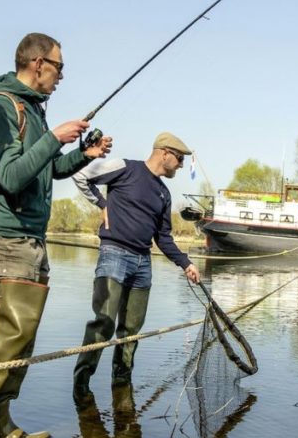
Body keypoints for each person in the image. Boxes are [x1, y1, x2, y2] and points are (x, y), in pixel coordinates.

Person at [0, 32, 112, 438]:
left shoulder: (30, 111)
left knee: (23, 341)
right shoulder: (0, 108)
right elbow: (12, 176)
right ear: (37, 64)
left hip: (30, 240)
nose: (60, 77)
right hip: (9, 238)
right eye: (59, 68)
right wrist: (54, 136)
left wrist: (84, 154)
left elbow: (46, 171)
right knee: (10, 340)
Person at [71, 132, 201, 400]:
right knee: (104, 323)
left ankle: (121, 384)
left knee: (131, 330)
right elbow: (81, 175)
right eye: (178, 158)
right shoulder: (125, 168)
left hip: (143, 263)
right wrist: (102, 203)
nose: (180, 164)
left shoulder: (164, 194)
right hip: (113, 254)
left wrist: (185, 263)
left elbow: (163, 237)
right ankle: (81, 385)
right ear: (164, 152)